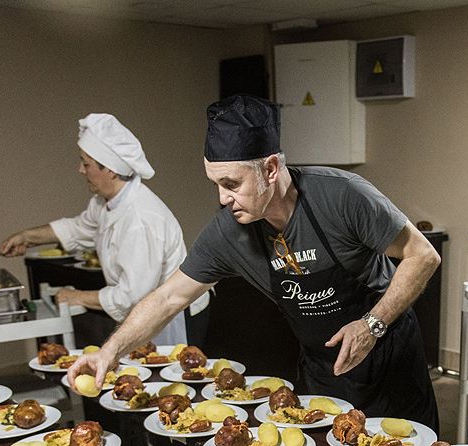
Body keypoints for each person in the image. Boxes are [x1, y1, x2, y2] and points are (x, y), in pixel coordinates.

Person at [67, 95, 441, 428]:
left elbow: (422, 256)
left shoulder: (342, 195)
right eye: (215, 184)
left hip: (388, 356)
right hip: (326, 369)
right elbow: (168, 298)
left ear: (271, 169)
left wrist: (371, 325)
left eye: (232, 184)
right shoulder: (228, 232)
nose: (223, 198)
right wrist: (109, 352)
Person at [0, 113, 209, 345]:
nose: (80, 169)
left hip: (173, 314)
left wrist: (76, 297)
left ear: (110, 169)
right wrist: (27, 237)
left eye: (86, 163)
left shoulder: (140, 219)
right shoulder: (105, 202)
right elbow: (78, 228)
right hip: (147, 307)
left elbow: (132, 297)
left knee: (168, 377)